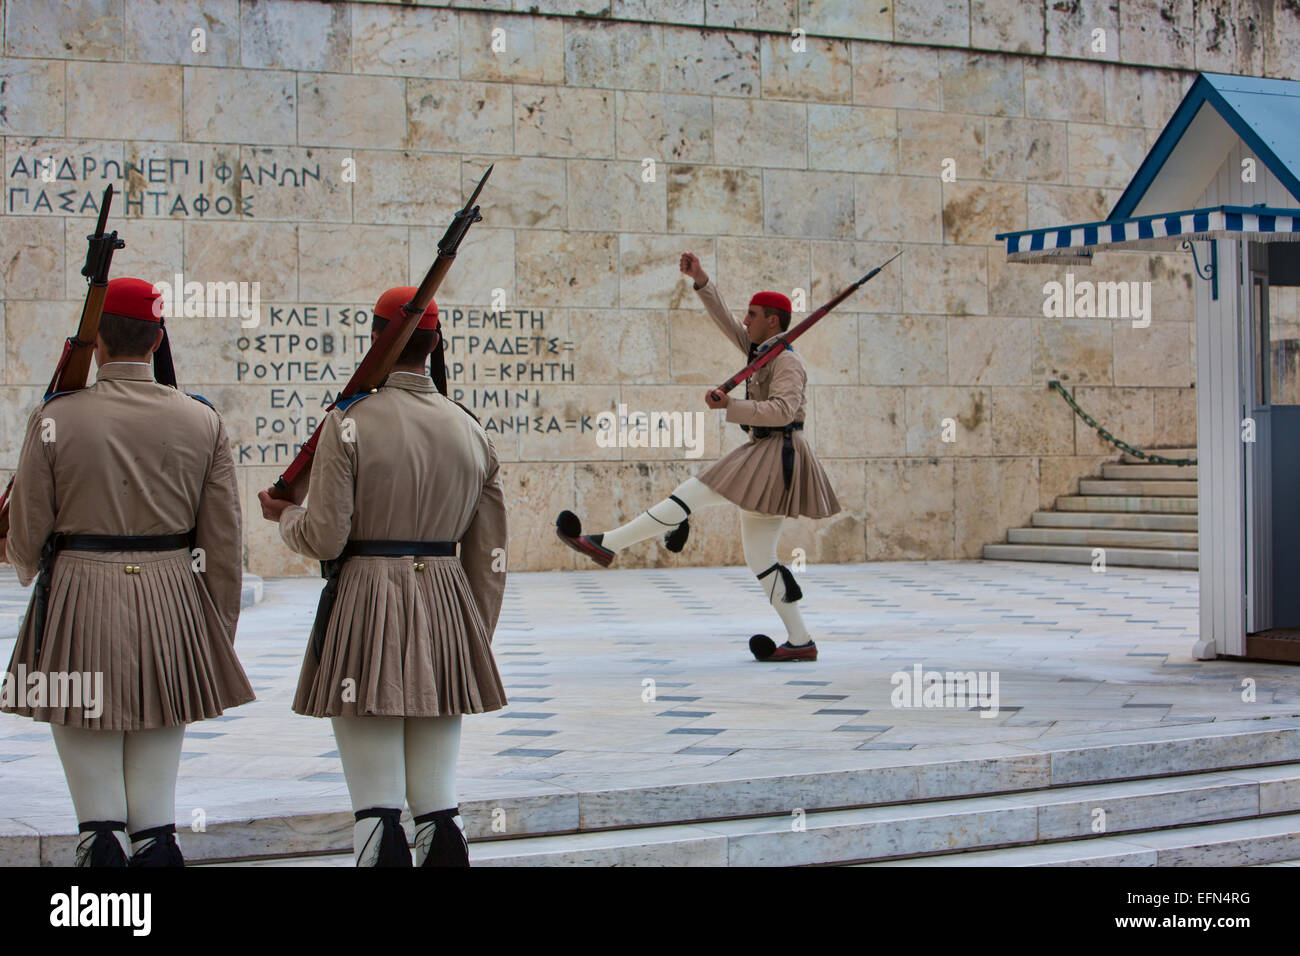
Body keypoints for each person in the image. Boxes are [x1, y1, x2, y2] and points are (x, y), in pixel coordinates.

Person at [0, 276, 253, 866]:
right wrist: (218, 630)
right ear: (158, 336)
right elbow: (223, 541)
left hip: (79, 589)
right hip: (172, 590)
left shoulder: (55, 417)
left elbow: (30, 534)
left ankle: (102, 845)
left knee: (86, 747)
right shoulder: (201, 420)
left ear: (99, 342)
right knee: (156, 801)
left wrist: (18, 554)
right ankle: (155, 841)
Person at [258, 287, 508, 867]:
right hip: (447, 601)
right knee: (440, 811)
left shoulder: (349, 423)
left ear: (375, 339)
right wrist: (471, 637)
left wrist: (286, 517)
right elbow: (490, 556)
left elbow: (324, 537)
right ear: (436, 343)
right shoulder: (471, 430)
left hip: (366, 597)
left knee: (377, 815)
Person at [557, 251, 839, 661]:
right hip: (767, 452)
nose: (745, 321)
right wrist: (702, 280)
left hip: (776, 455)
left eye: (753, 314)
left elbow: (783, 411)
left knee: (692, 493)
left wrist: (730, 407)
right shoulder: (762, 350)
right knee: (761, 559)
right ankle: (801, 642)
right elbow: (725, 320)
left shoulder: (788, 363)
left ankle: (606, 545)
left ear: (773, 321)